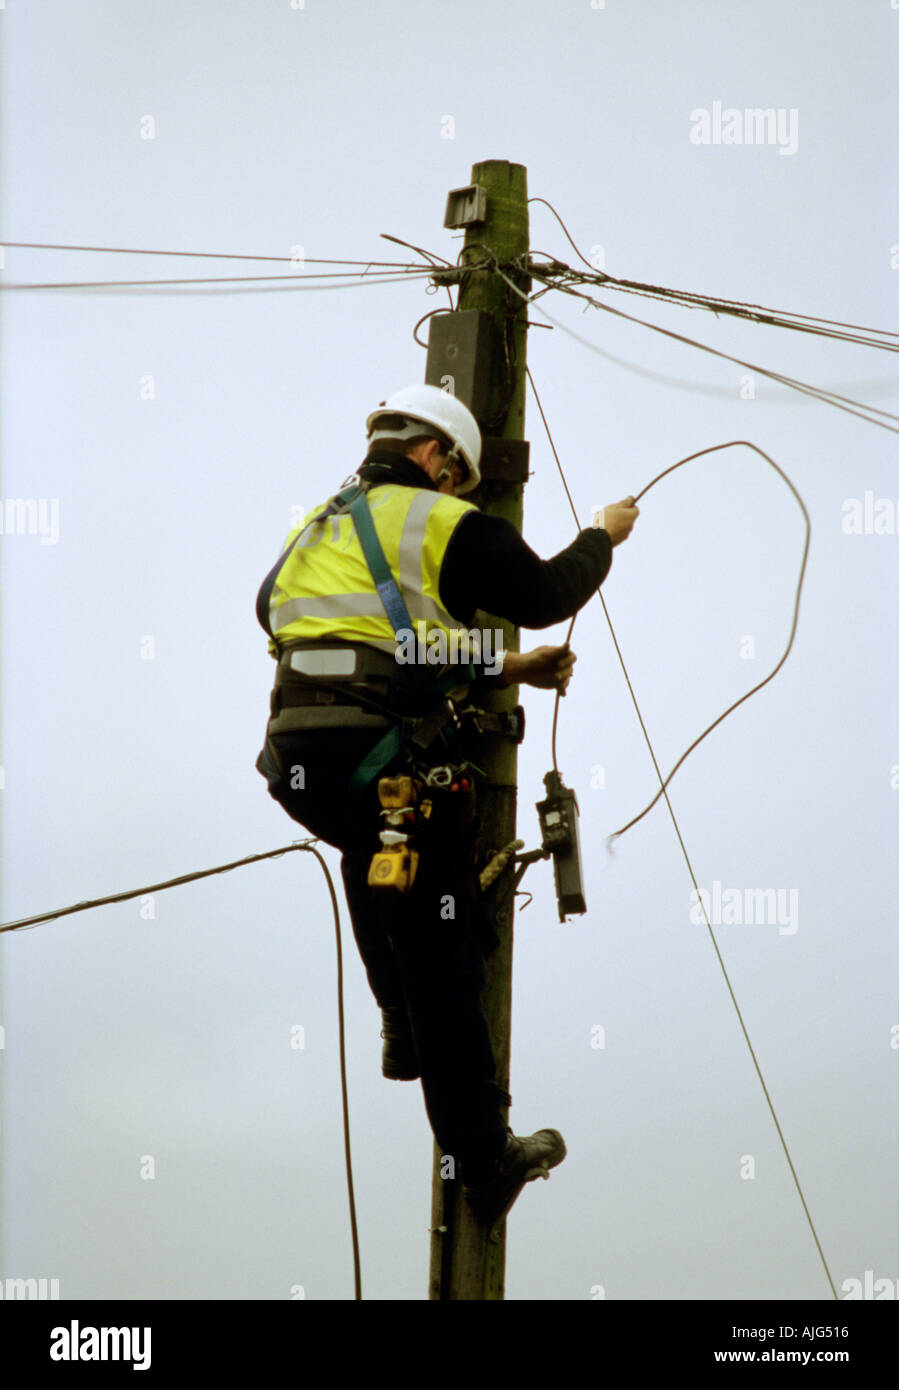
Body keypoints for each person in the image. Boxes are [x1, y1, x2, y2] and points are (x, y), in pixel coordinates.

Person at [254, 384, 639, 1223]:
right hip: (379, 752)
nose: (455, 492)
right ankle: (481, 1156)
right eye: (456, 478)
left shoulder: (311, 529)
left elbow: (375, 639)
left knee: (374, 849)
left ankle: (398, 1021)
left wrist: (506, 669)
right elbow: (541, 593)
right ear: (437, 458)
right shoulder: (438, 522)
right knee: (447, 947)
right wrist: (599, 538)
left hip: (299, 764)